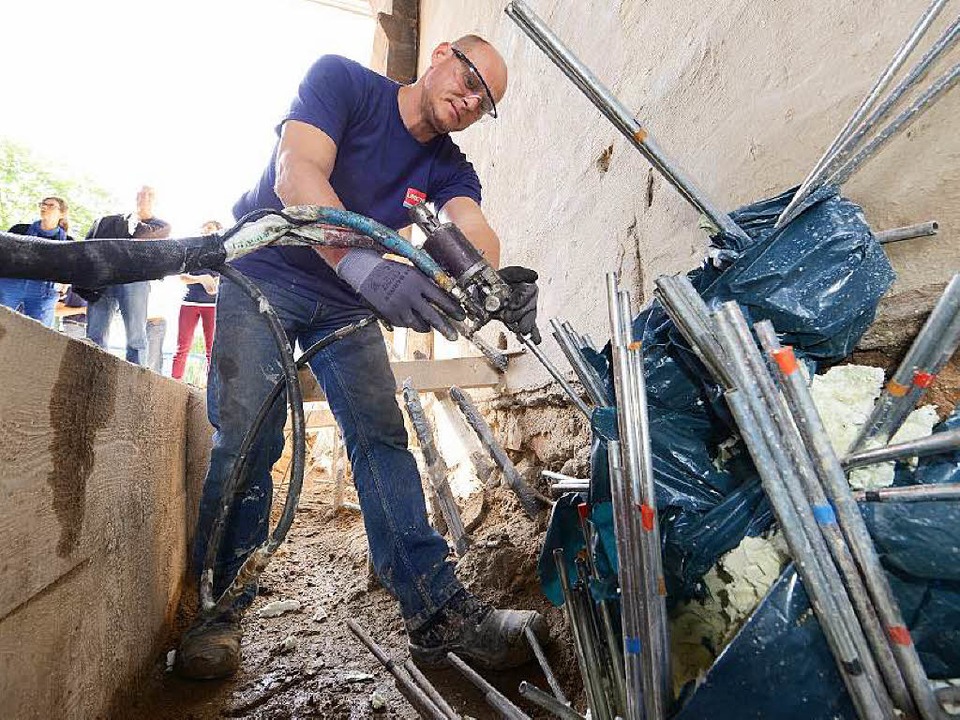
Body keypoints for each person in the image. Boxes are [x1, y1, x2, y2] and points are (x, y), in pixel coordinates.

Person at [177, 36, 545, 680]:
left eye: (484, 102)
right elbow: (297, 174)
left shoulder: (449, 168)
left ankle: (438, 616)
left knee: (380, 437)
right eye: (468, 79)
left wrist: (494, 281)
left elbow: (470, 227)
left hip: (344, 302)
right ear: (439, 55)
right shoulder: (343, 83)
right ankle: (216, 615)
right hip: (261, 268)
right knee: (248, 435)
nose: (468, 101)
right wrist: (361, 262)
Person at [84, 186, 170, 365]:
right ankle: (92, 375)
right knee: (94, 337)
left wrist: (135, 219)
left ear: (156, 200)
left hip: (135, 282)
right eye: (140, 193)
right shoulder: (113, 221)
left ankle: (134, 382)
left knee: (135, 338)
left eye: (150, 194)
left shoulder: (162, 226)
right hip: (104, 280)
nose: (144, 197)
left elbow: (142, 237)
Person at [0, 196, 73, 327]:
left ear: (62, 213)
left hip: (43, 290)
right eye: (43, 204)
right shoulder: (19, 230)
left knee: (40, 333)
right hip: (11, 284)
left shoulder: (68, 241)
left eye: (51, 205)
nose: (44, 207)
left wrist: (64, 285)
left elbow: (68, 271)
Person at [171, 220, 221, 380]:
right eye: (204, 226)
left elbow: (221, 280)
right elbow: (182, 277)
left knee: (211, 350)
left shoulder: (220, 254)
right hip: (189, 303)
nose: (206, 229)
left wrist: (213, 282)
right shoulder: (191, 251)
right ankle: (175, 381)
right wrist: (201, 278)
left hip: (211, 305)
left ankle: (211, 388)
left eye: (210, 227)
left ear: (217, 231)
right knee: (182, 347)